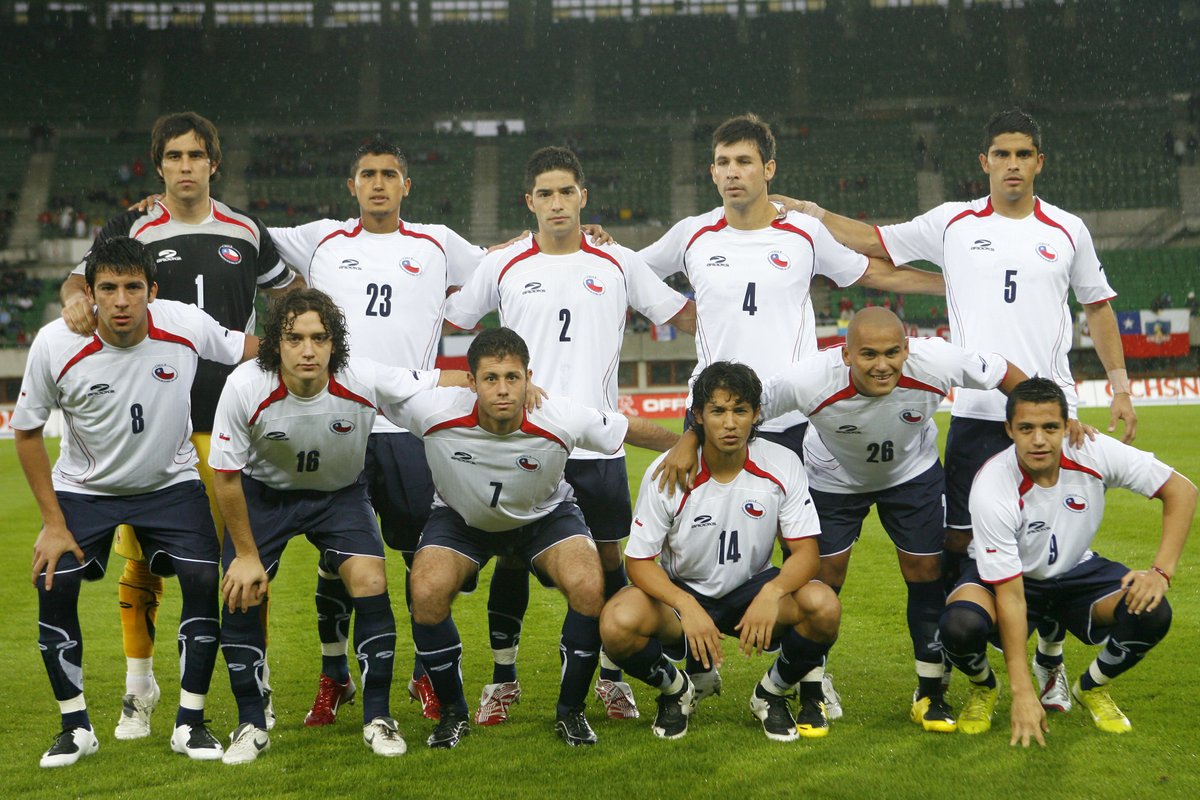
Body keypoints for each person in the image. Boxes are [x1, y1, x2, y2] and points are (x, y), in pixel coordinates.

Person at [779, 108, 1137, 713]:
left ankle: (1049, 664)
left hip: (1053, 409)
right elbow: (874, 239)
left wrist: (1120, 385)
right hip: (975, 412)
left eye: (1024, 154)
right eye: (1002, 154)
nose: (1013, 164)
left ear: (1039, 162)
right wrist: (813, 214)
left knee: (1054, 546)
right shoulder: (952, 224)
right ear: (985, 162)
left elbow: (1098, 306)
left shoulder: (1069, 229)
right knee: (958, 548)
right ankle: (966, 670)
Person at [638, 112, 944, 706]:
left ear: (769, 169)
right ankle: (695, 660)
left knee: (799, 551)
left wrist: (951, 283)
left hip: (792, 417)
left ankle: (806, 674)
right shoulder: (692, 234)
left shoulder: (803, 234)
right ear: (711, 171)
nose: (732, 172)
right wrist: (596, 246)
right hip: (712, 413)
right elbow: (628, 269)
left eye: (744, 161)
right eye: (723, 162)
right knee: (688, 541)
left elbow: (873, 272)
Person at [57, 111, 300, 738]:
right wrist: (75, 301)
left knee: (246, 560)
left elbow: (289, 288)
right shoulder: (133, 224)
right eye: (174, 157)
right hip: (153, 424)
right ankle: (140, 689)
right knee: (143, 563)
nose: (185, 167)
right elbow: (78, 282)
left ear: (213, 163)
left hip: (231, 419)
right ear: (158, 164)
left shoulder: (245, 230)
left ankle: (256, 680)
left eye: (196, 156)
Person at [443, 146, 696, 724]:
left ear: (583, 196)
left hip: (597, 446)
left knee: (609, 565)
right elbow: (451, 319)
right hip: (520, 443)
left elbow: (681, 316)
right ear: (529, 202)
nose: (557, 203)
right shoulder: (503, 265)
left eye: (567, 192)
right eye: (545, 194)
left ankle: (609, 677)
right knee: (511, 560)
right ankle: (503, 680)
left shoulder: (618, 262)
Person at [264, 136, 488, 727]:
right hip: (338, 422)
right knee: (337, 560)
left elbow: (509, 259)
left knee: (422, 559)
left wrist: (586, 235)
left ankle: (425, 676)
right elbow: (244, 232)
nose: (379, 183)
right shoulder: (321, 239)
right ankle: (333, 677)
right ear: (352, 185)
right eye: (368, 174)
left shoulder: (438, 243)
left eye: (390, 173)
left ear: (406, 185)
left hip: (409, 427)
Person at [12, 236, 256, 767]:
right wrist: (53, 523)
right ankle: (75, 726)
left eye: (132, 288)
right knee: (54, 580)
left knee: (199, 579)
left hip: (171, 486)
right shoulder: (56, 342)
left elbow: (249, 349)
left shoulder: (185, 324)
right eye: (108, 288)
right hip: (85, 490)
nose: (121, 301)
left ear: (152, 291)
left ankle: (190, 722)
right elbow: (27, 432)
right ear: (90, 293)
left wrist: (315, 346)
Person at [382, 327, 680, 749]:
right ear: (471, 382)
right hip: (460, 519)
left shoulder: (557, 414)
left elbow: (628, 429)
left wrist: (688, 445)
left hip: (545, 516)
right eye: (490, 379)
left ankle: (570, 713)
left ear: (529, 377)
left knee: (588, 584)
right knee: (426, 590)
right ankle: (452, 713)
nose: (502, 389)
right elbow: (370, 389)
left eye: (512, 377)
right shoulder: (432, 410)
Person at [208, 289, 468, 764]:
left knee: (370, 579)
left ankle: (377, 717)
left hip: (340, 496)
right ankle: (249, 722)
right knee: (239, 589)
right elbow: (226, 475)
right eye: (295, 339)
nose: (307, 350)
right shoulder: (246, 384)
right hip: (267, 497)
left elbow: (435, 381)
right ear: (276, 344)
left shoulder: (361, 377)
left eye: (319, 338)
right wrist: (246, 555)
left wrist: (493, 381)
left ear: (334, 343)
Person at [939, 378, 1195, 746]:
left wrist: (1160, 572)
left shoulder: (1093, 450)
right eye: (1026, 428)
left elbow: (1181, 491)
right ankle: (985, 687)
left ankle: (1091, 687)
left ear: (1066, 426)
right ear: (1009, 429)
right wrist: (1021, 691)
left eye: (1050, 427)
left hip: (1076, 571)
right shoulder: (993, 485)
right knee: (959, 625)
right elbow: (1011, 596)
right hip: (1010, 579)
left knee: (1152, 611)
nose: (1039, 439)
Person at [601, 361, 839, 742]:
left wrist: (773, 592)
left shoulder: (782, 463)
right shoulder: (669, 471)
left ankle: (771, 694)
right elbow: (639, 562)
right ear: (698, 416)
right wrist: (687, 605)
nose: (730, 423)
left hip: (753, 590)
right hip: (684, 591)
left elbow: (806, 552)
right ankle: (677, 692)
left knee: (823, 606)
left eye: (740, 410)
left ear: (756, 414)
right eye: (718, 411)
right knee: (617, 623)